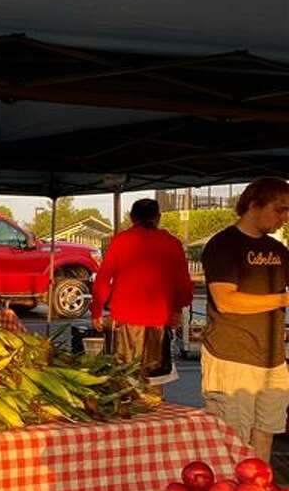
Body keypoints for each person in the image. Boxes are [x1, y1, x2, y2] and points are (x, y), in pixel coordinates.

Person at [200, 177, 289, 462]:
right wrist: (282, 300)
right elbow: (226, 301)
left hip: (272, 359)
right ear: (254, 205)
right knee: (232, 441)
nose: (284, 217)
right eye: (279, 209)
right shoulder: (223, 245)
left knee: (266, 433)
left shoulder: (278, 251)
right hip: (231, 358)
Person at [91, 198, 193, 394]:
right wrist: (177, 310)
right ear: (158, 217)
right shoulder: (172, 243)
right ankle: (154, 414)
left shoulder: (121, 241)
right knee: (155, 380)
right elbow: (183, 284)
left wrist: (96, 311)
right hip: (158, 322)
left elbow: (103, 280)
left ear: (132, 217)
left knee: (123, 380)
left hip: (124, 321)